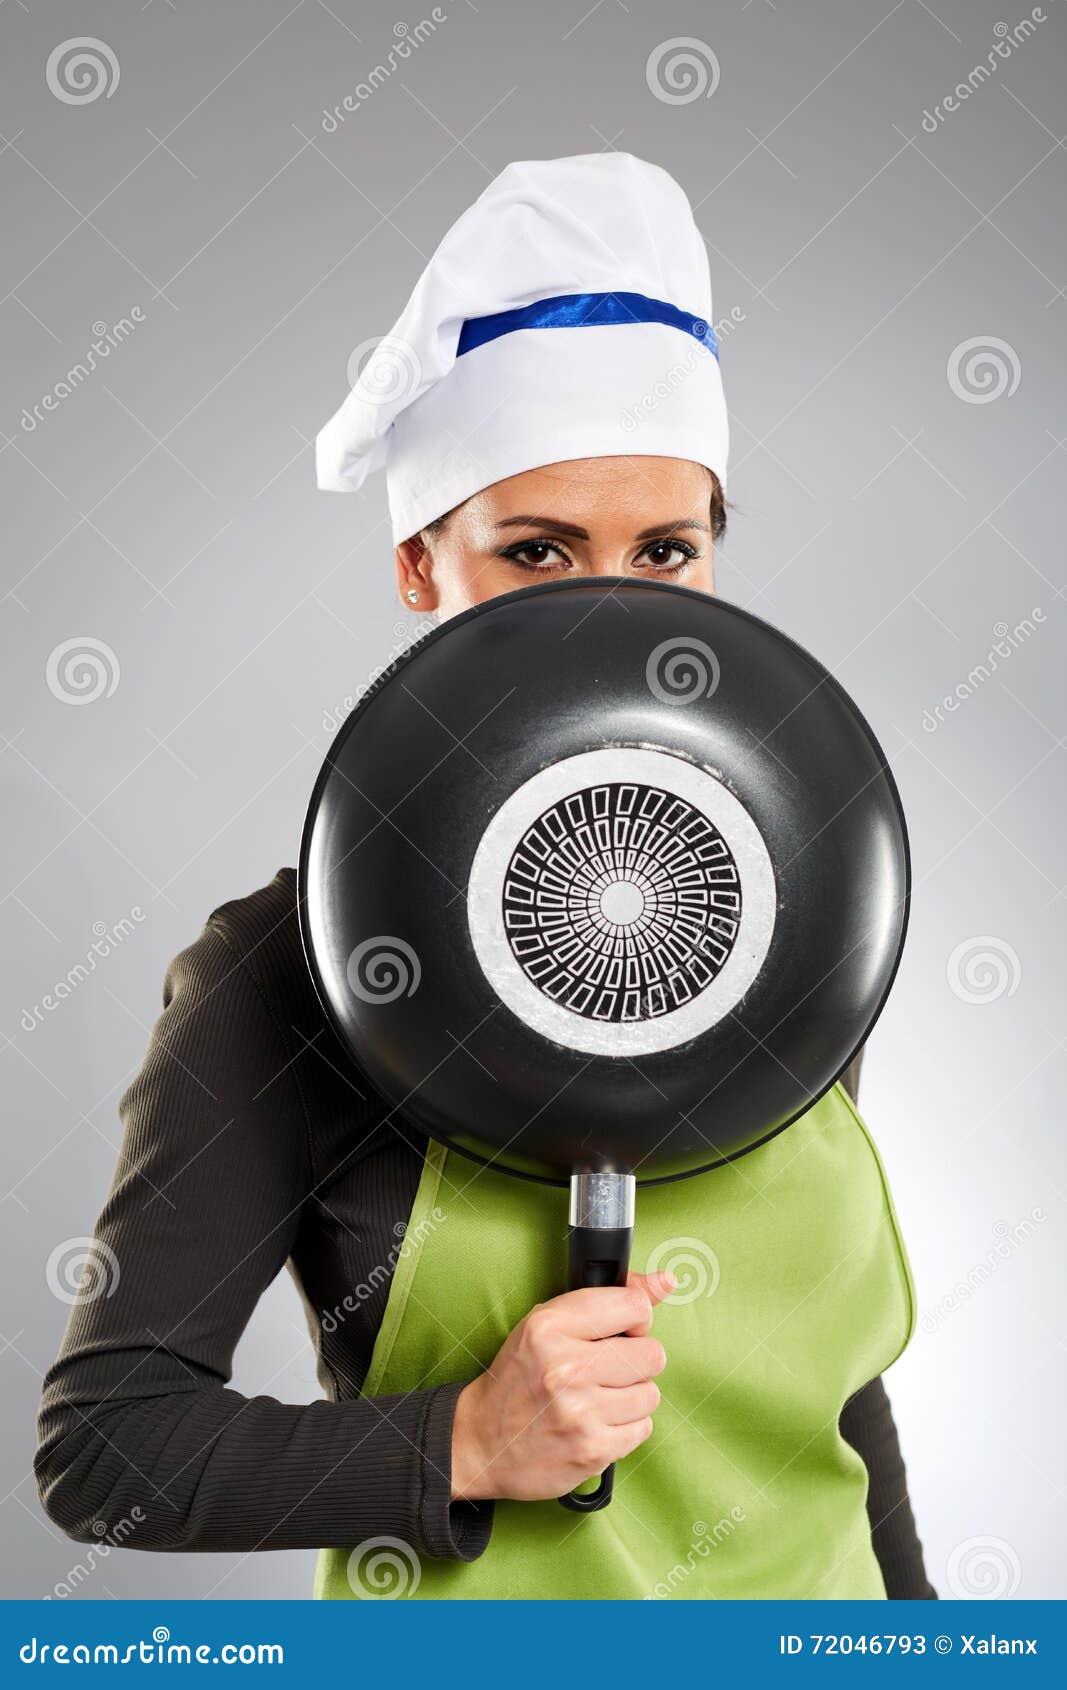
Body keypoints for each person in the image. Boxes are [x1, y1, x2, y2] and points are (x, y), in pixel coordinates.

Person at [36, 153, 933, 1600]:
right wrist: (461, 1439)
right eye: (537, 551)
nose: (610, 610)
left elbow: (829, 1391)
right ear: (420, 566)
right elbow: (106, 1451)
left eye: (666, 549)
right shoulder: (285, 967)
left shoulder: (795, 906)